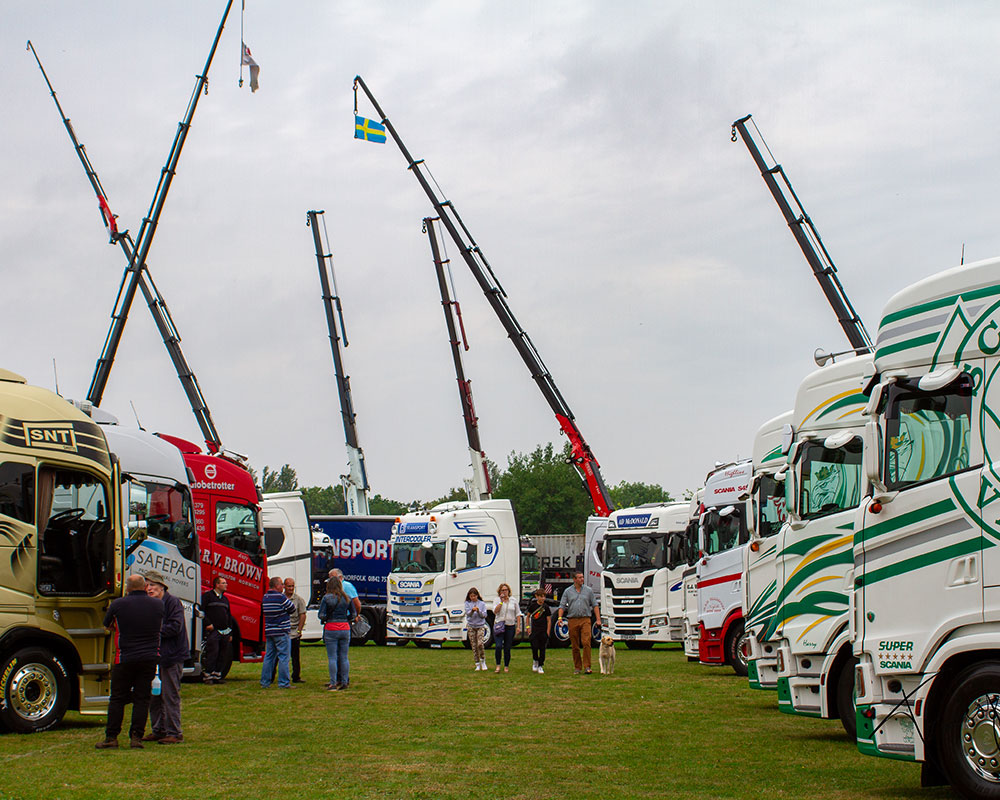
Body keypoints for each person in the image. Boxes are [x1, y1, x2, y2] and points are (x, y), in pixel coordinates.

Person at [96, 574, 164, 750]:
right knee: (142, 698)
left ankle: (111, 737)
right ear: (145, 587)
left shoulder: (118, 604)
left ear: (127, 587)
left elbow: (107, 625)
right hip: (149, 657)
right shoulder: (158, 605)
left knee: (117, 698)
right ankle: (136, 737)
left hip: (125, 657)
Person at [143, 570, 187, 744]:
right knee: (154, 695)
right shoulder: (149, 604)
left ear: (162, 587)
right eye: (147, 585)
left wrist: (154, 631)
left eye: (153, 585)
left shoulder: (173, 603)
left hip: (172, 656)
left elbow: (175, 627)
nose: (149, 588)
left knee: (170, 695)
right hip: (154, 657)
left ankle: (174, 732)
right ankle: (158, 729)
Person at [556, 571, 601, 675]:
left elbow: (594, 605)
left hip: (585, 619)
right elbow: (562, 606)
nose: (582, 579)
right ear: (574, 579)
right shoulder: (568, 591)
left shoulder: (588, 591)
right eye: (579, 578)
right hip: (572, 620)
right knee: (575, 645)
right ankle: (577, 667)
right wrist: (559, 618)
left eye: (582, 577)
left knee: (586, 642)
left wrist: (598, 619)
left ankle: (587, 666)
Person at [318, 574, 357, 690]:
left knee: (332, 657)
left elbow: (321, 615)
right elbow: (354, 615)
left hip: (331, 627)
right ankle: (344, 681)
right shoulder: (347, 598)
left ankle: (333, 683)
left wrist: (326, 619)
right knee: (344, 657)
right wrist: (347, 620)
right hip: (345, 628)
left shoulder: (327, 598)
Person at [260, 576, 295, 689]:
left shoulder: (265, 597)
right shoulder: (281, 597)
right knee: (284, 657)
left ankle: (265, 681)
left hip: (270, 631)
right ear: (276, 586)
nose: (283, 587)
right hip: (281, 630)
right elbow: (292, 608)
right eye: (281, 584)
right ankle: (283, 682)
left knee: (269, 657)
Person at [270, 578, 306, 684]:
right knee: (276, 656)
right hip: (281, 632)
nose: (291, 588)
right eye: (289, 586)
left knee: (295, 656)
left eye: (292, 586)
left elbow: (302, 615)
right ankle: (271, 676)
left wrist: (299, 631)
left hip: (294, 632)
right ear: (284, 586)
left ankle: (296, 676)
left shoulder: (299, 600)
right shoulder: (280, 598)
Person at [200, 576, 232, 685]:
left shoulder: (225, 599)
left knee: (223, 654)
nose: (226, 585)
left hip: (225, 632)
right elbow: (201, 611)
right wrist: (208, 623)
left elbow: (229, 615)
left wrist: (230, 631)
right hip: (213, 631)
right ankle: (208, 676)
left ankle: (218, 675)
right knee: (212, 653)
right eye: (223, 583)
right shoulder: (208, 597)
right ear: (217, 585)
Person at [492, 582, 522, 673]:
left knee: (507, 647)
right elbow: (495, 611)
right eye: (502, 590)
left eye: (506, 590)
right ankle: (498, 665)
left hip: (510, 626)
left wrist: (518, 626)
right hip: (499, 625)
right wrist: (501, 602)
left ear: (509, 591)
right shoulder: (497, 600)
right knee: (498, 646)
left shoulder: (513, 600)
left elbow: (518, 613)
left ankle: (506, 666)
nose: (504, 592)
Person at [526, 588, 552, 674]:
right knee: (534, 647)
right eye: (541, 596)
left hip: (543, 631)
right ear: (537, 597)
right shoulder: (533, 606)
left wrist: (548, 631)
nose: (543, 598)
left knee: (542, 649)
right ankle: (535, 661)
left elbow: (549, 620)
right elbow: (528, 616)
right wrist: (528, 627)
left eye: (544, 597)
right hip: (535, 631)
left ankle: (541, 665)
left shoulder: (546, 607)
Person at [464, 587, 488, 671]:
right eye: (471, 596)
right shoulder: (467, 603)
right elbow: (468, 614)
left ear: (477, 595)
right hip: (471, 626)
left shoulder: (482, 604)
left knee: (480, 644)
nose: (473, 598)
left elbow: (484, 615)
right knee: (474, 646)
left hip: (480, 626)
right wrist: (472, 611)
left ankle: (483, 660)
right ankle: (477, 663)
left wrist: (478, 611)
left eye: (474, 596)